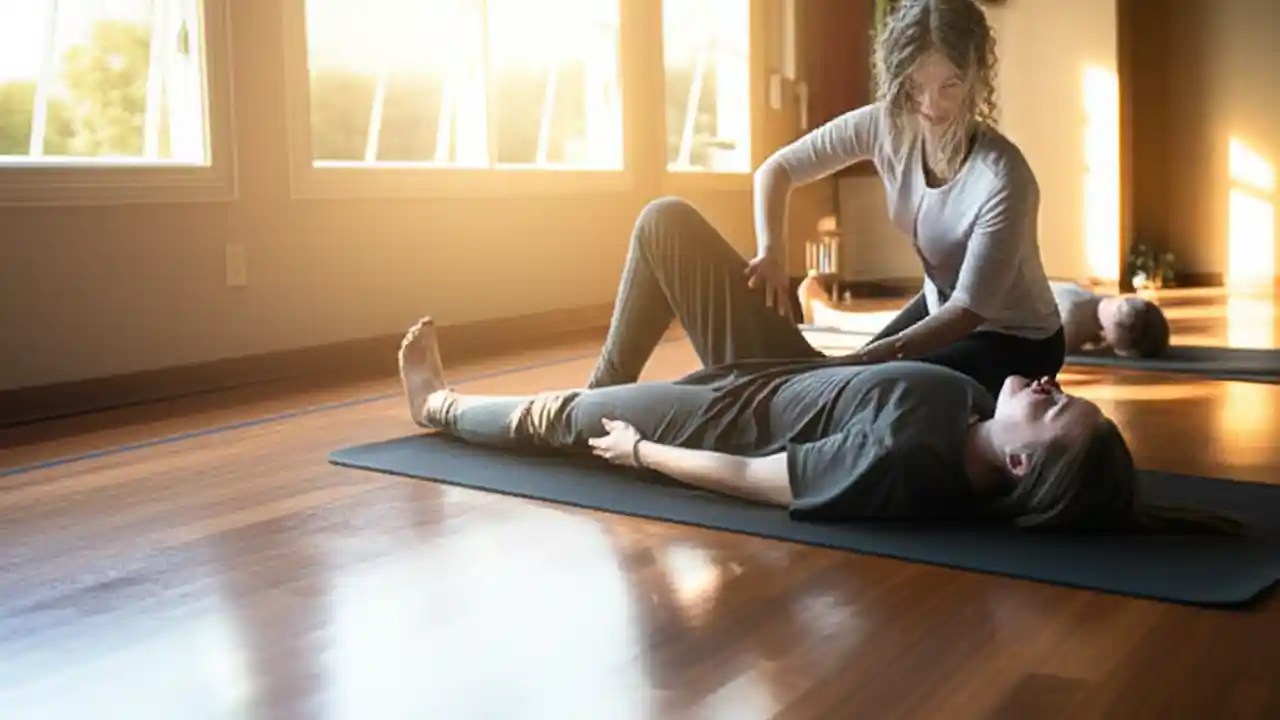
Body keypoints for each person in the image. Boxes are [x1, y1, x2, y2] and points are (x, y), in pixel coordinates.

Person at [591, 0, 1064, 399]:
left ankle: (781, 398)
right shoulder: (887, 124)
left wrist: (864, 360)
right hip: (939, 305)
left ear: (977, 75)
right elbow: (777, 170)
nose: (931, 106)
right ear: (899, 76)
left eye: (950, 86)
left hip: (1012, 338)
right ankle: (598, 395)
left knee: (856, 389)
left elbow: (968, 310)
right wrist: (772, 252)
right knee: (847, 383)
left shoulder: (1004, 177)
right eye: (916, 86)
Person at [397, 317, 1234, 533]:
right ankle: (609, 389)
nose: (1049, 384)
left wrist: (643, 451)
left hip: (719, 419)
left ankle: (436, 406)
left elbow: (761, 482)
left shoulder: (903, 462)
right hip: (769, 373)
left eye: (1053, 408)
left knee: (571, 416)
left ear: (1019, 466)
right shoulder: (974, 414)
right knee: (666, 221)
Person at [798, 274, 1172, 358]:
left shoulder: (1076, 314)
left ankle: (823, 311)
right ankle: (823, 311)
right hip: (974, 302)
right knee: (886, 322)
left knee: (886, 322)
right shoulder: (1079, 316)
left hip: (973, 306)